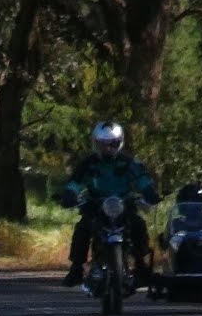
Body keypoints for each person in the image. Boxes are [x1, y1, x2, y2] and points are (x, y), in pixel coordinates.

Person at [57, 122, 160, 287]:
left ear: (119, 143)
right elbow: (75, 182)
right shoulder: (88, 163)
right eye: (102, 145)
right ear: (95, 144)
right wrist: (69, 194)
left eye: (111, 144)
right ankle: (76, 268)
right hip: (95, 205)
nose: (107, 149)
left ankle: (141, 266)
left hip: (123, 205)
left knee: (138, 225)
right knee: (83, 228)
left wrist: (149, 192)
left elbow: (142, 179)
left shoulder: (129, 163)